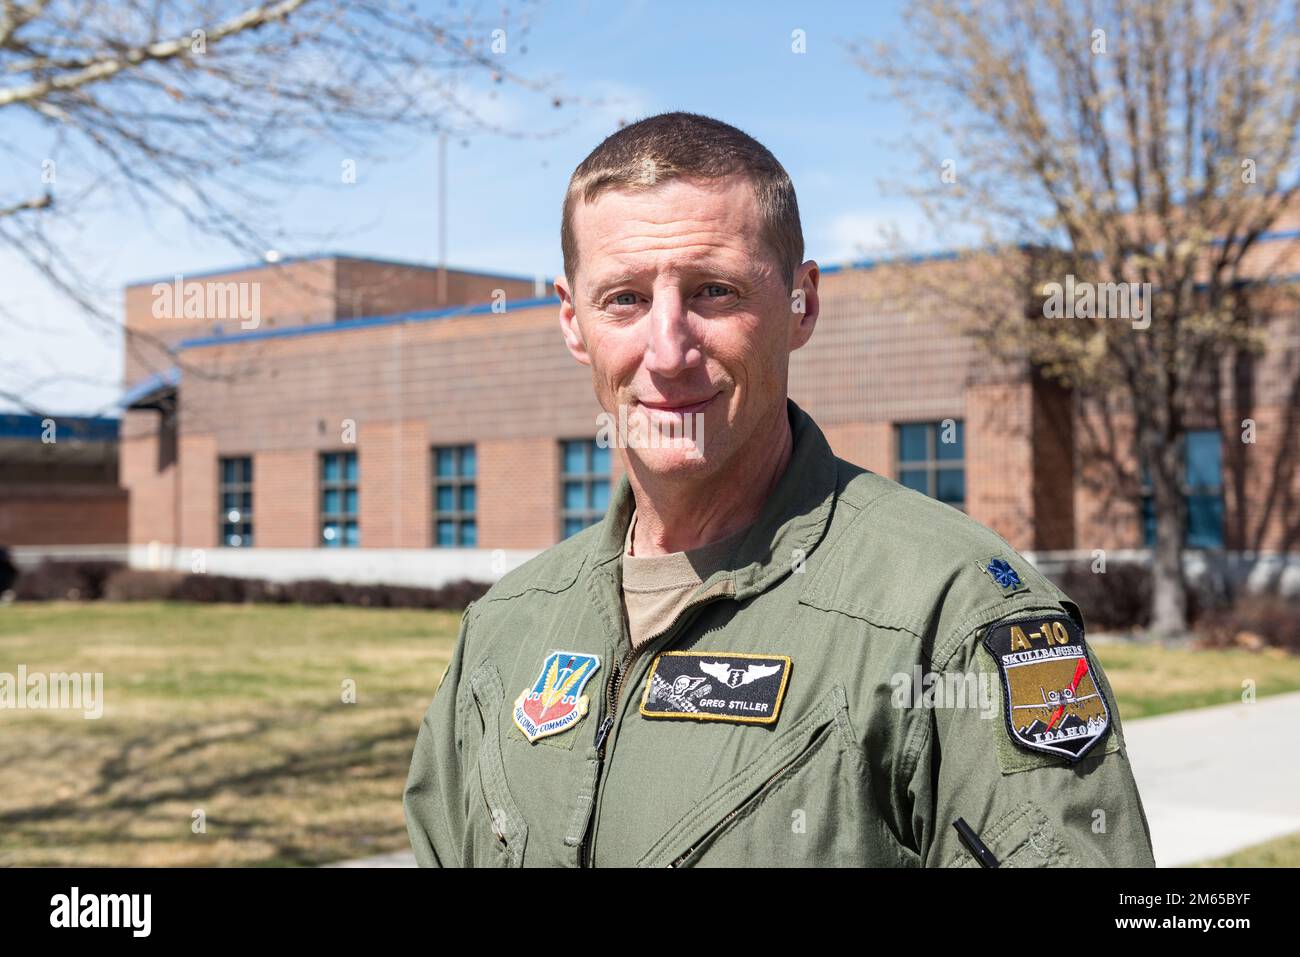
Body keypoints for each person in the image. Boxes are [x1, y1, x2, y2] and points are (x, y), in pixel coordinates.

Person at [403, 111, 1156, 867]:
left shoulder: (953, 614)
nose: (668, 351)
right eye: (625, 299)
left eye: (714, 291)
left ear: (801, 304)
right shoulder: (503, 631)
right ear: (573, 321)